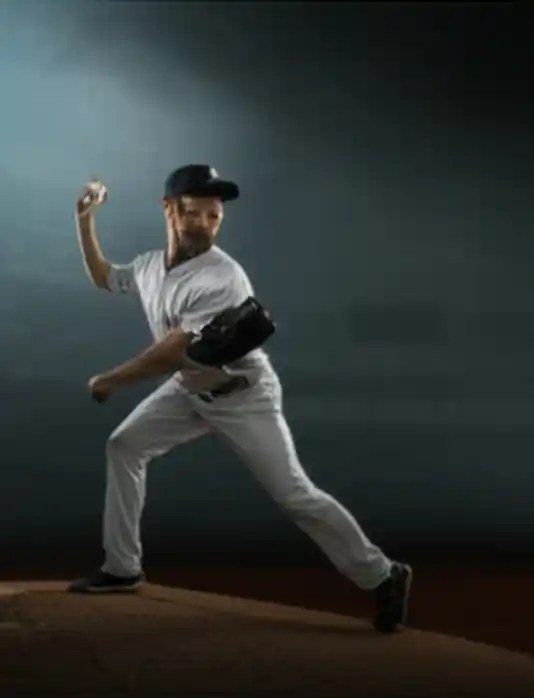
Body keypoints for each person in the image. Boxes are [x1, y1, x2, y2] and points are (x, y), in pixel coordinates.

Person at [69, 164, 413, 634]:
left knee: (295, 496)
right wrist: (84, 221)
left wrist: (111, 379)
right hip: (190, 388)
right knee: (124, 446)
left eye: (215, 216)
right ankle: (122, 566)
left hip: (243, 395)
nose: (207, 224)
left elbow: (173, 351)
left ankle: (383, 574)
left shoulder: (223, 276)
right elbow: (104, 276)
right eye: (196, 213)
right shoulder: (151, 266)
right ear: (169, 209)